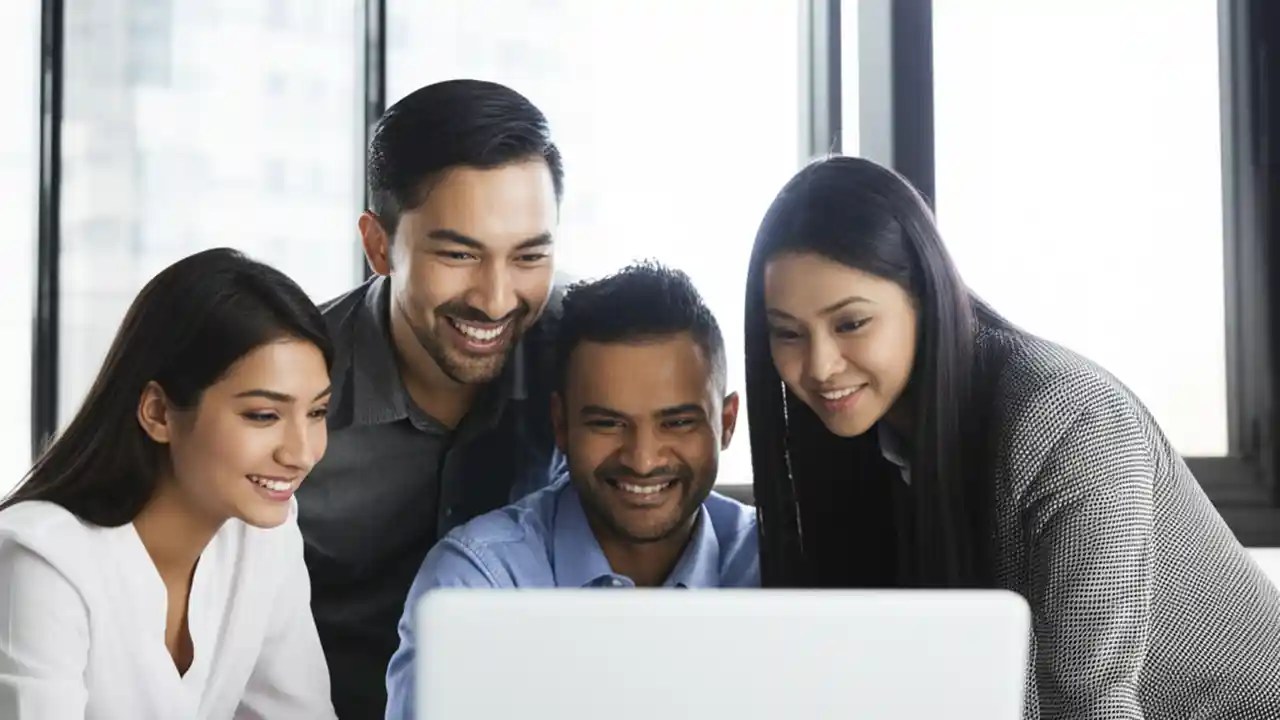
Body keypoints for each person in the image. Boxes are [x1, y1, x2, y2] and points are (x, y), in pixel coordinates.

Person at [744, 156, 1280, 719]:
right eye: (788, 333)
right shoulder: (865, 443)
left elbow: (1089, 707)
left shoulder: (1066, 419)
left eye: (851, 323)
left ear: (924, 298)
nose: (821, 366)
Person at [298, 78, 567, 718]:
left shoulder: (584, 356)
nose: (497, 298)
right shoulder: (287, 388)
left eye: (529, 255)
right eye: (458, 254)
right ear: (378, 245)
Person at [383, 262, 758, 720]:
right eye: (607, 423)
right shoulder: (477, 587)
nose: (643, 459)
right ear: (561, 425)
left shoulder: (777, 563)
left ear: (725, 423)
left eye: (677, 423)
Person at [0, 248, 336, 719]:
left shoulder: (265, 537)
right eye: (264, 415)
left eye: (317, 412)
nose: (301, 452)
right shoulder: (42, 561)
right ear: (158, 412)